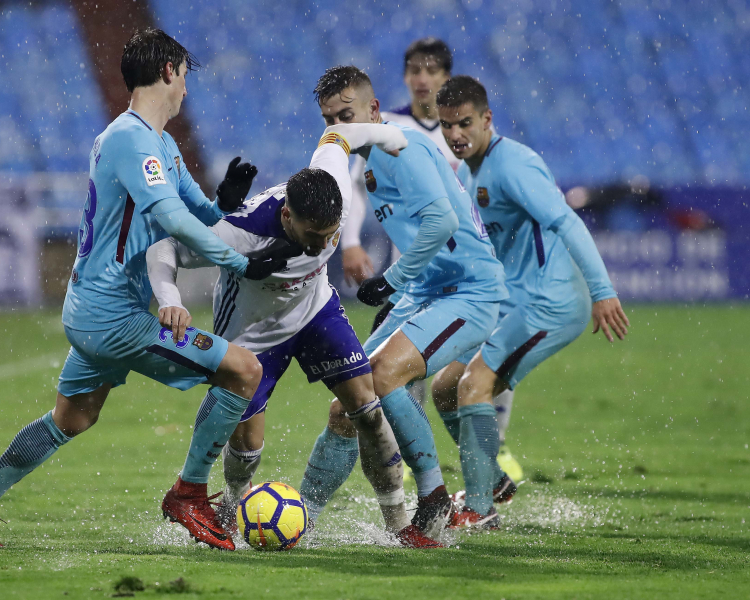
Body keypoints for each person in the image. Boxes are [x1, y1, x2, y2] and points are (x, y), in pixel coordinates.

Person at [0, 28, 294, 551]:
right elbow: (169, 216)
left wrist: (224, 203)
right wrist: (240, 262)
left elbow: (198, 215)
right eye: (185, 78)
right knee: (244, 370)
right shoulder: (130, 138)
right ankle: (190, 494)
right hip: (111, 316)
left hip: (94, 308)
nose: (186, 91)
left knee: (73, 416)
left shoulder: (160, 145)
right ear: (169, 71)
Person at [147, 123, 441, 549]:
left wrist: (386, 135)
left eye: (330, 235)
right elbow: (164, 250)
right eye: (313, 236)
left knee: (367, 406)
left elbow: (338, 134)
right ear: (287, 215)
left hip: (316, 310)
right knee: (247, 448)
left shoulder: (330, 181)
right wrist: (170, 299)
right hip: (254, 333)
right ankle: (230, 511)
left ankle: (399, 527)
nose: (323, 244)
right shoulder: (242, 232)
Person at [301, 66, 508, 537]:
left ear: (373, 110)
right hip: (426, 293)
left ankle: (433, 501)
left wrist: (391, 280)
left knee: (383, 374)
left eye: (347, 115)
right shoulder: (372, 159)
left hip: (468, 291)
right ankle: (302, 518)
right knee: (349, 401)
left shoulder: (403, 148)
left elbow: (442, 224)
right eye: (329, 120)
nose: (339, 129)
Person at [432, 76, 630, 527]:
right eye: (446, 126)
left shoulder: (515, 165)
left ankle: (480, 511)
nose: (455, 135)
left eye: (464, 123)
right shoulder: (468, 171)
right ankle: (493, 480)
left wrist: (602, 291)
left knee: (472, 386)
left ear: (487, 119)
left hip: (549, 302)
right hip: (514, 301)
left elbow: (568, 223)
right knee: (445, 386)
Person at [340, 38, 458, 410]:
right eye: (414, 70)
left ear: (447, 77)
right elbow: (356, 187)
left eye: (431, 69)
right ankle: (409, 460)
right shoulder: (386, 126)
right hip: (411, 272)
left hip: (462, 271)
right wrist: (350, 242)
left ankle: (493, 451)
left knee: (470, 374)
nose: (422, 78)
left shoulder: (462, 129)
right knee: (395, 372)